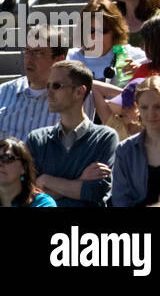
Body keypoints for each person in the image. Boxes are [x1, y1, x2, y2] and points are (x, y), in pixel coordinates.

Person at [26, 60, 118, 207]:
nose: (48, 92)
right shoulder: (36, 139)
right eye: (47, 86)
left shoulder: (105, 137)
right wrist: (80, 181)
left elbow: (96, 191)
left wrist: (45, 180)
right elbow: (28, 193)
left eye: (56, 86)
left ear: (79, 92)